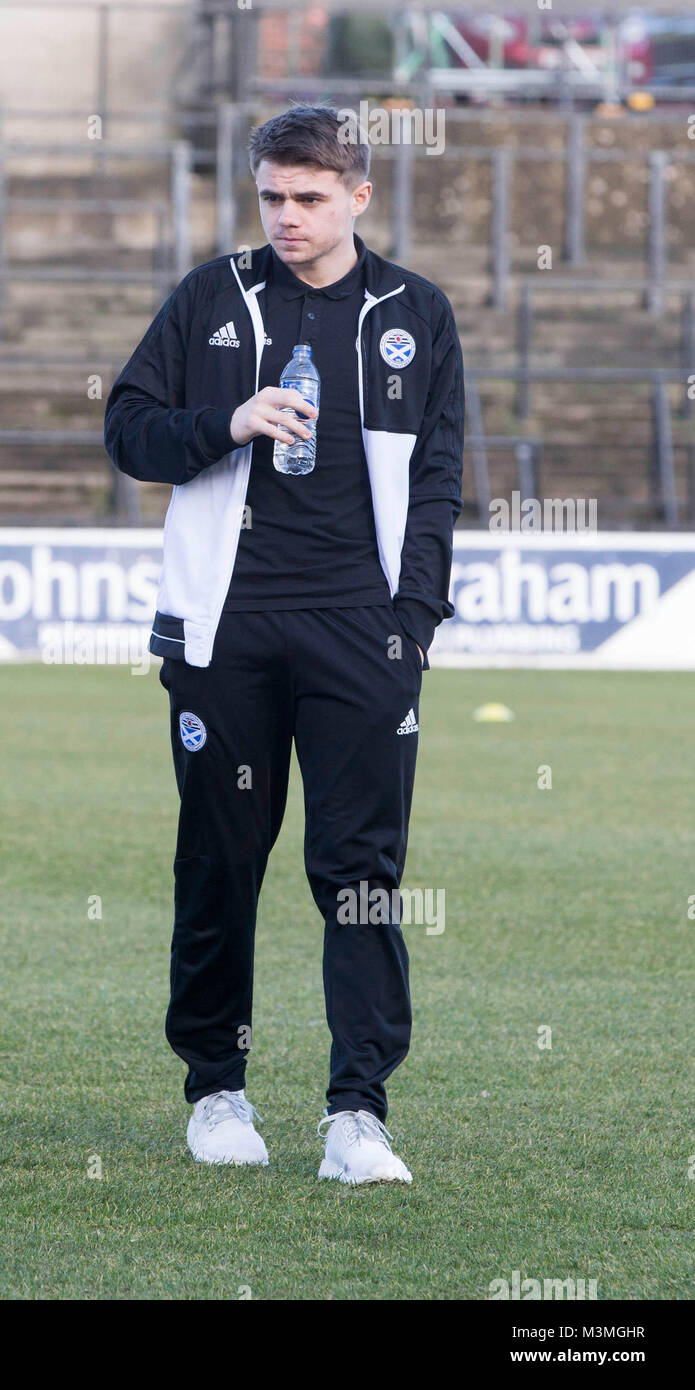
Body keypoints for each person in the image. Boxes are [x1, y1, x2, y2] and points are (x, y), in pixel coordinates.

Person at [105, 103, 464, 1184]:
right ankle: (215, 1089)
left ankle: (357, 1110)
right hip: (226, 636)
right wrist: (223, 421)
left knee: (357, 874)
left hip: (361, 635)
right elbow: (126, 430)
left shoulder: (415, 313)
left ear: (358, 194)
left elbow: (440, 482)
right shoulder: (212, 297)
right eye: (271, 196)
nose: (288, 217)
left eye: (310, 198)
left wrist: (411, 625)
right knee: (218, 863)